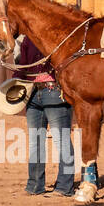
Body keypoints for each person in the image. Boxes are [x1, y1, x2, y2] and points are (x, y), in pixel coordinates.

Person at [16, 35, 74, 196]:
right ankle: (35, 185)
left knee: (61, 140)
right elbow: (23, 67)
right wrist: (14, 85)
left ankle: (64, 186)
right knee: (36, 141)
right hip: (33, 91)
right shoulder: (28, 39)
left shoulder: (58, 35)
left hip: (54, 90)